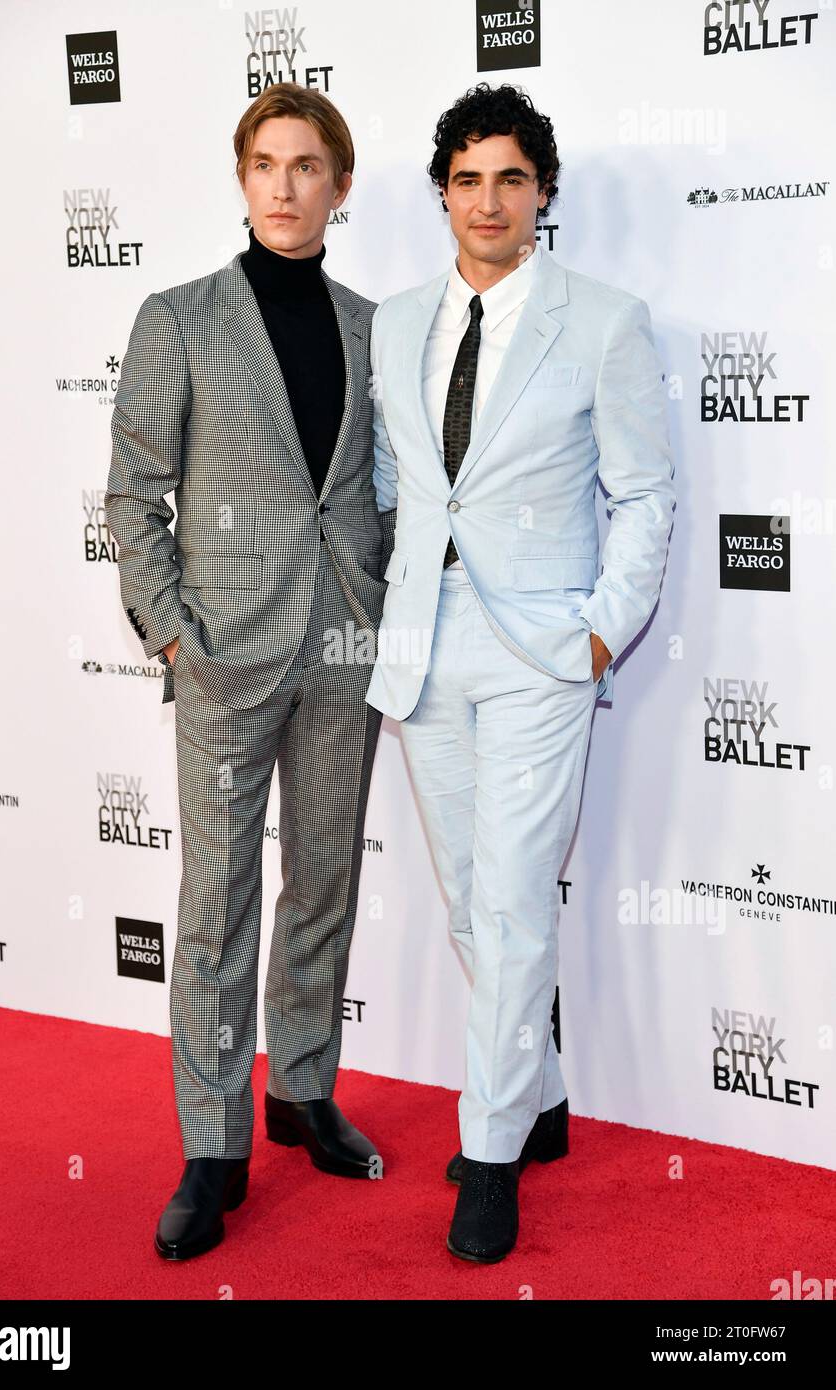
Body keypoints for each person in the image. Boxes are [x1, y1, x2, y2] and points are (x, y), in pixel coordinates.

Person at [365, 82, 675, 1263]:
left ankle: (488, 1149)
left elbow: (643, 491)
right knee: (469, 904)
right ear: (440, 192)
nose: (486, 200)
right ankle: (538, 1092)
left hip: (541, 650)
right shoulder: (395, 323)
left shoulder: (600, 319)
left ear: (542, 192)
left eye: (509, 177)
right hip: (420, 647)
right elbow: (398, 487)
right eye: (465, 177)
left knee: (506, 895)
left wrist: (600, 629)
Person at [105, 82, 395, 1262]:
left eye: (308, 165)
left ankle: (301, 1087)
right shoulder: (178, 317)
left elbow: (374, 488)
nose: (285, 185)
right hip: (223, 654)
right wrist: (171, 633)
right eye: (266, 164)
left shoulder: (379, 325)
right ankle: (213, 1144)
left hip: (342, 643)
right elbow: (134, 493)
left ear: (339, 185)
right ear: (242, 179)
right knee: (216, 906)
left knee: (321, 880)